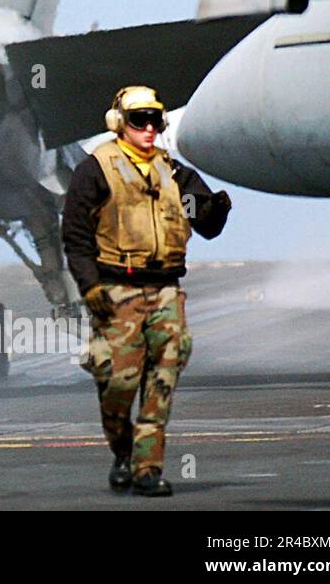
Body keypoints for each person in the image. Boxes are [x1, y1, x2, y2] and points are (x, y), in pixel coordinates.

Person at [62, 85, 231, 497]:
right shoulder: (96, 171)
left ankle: (147, 469)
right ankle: (123, 452)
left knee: (162, 381)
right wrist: (90, 286)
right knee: (118, 384)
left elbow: (204, 223)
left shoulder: (174, 174)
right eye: (140, 120)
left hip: (166, 291)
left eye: (156, 120)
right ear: (120, 123)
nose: (150, 128)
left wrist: (215, 209)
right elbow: (76, 235)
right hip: (116, 290)